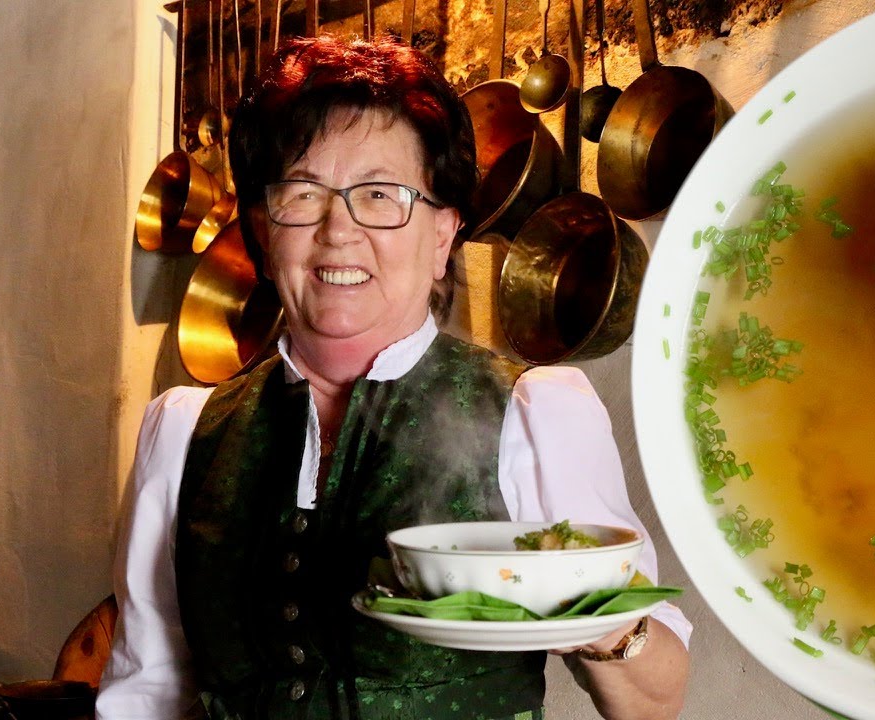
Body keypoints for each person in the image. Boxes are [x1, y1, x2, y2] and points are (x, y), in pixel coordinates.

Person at [96, 34, 690, 720]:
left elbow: (654, 704)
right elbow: (146, 690)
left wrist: (595, 610)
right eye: (303, 192)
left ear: (442, 236)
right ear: (263, 229)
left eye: (381, 194)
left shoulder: (536, 413)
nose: (339, 231)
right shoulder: (182, 432)